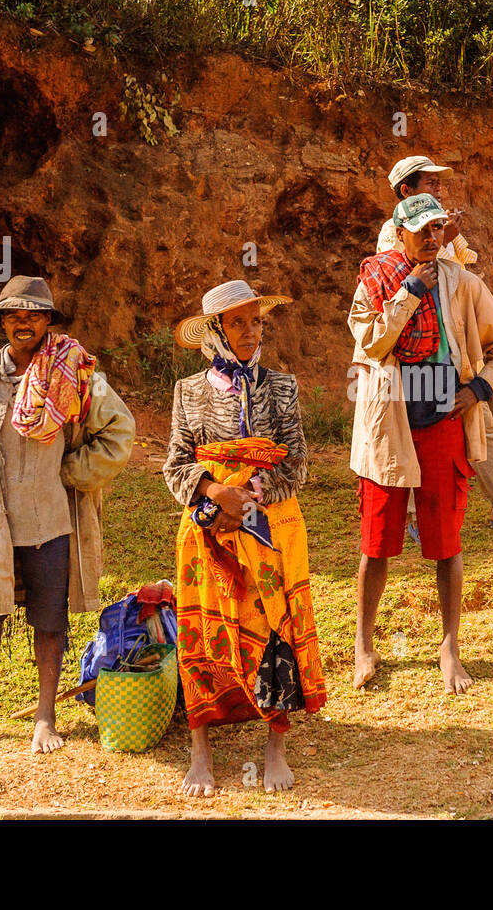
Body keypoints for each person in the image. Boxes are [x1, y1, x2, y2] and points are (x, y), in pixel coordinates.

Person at [0, 276, 135, 760]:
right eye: (13, 315)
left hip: (51, 521)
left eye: (33, 315)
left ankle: (45, 716)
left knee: (50, 621)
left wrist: (73, 471)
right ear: (2, 323)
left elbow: (119, 431)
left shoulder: (76, 375)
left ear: (47, 321)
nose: (22, 323)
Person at [351, 193, 493, 693]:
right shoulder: (375, 283)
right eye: (422, 229)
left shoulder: (465, 284)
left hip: (445, 421)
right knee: (376, 541)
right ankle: (364, 644)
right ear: (400, 233)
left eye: (438, 228)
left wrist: (475, 390)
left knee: (446, 541)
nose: (432, 237)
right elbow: (372, 344)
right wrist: (407, 292)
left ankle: (450, 646)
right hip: (391, 420)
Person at [164, 280, 327, 796]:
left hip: (271, 525)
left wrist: (246, 497)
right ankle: (200, 750)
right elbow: (175, 466)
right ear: (215, 330)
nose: (252, 331)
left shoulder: (282, 386)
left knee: (274, 624)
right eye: (238, 323)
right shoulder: (188, 392)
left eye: (257, 321)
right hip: (207, 529)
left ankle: (275, 744)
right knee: (204, 628)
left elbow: (296, 462)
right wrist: (216, 497)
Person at [378, 155, 493, 532]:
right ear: (407, 190)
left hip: (451, 354)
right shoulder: (392, 234)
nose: (439, 190)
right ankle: (413, 516)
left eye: (439, 184)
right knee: (408, 433)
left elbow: (455, 276)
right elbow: (401, 277)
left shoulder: (455, 262)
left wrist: (479, 386)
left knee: (478, 423)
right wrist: (445, 235)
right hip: (409, 359)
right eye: (431, 184)